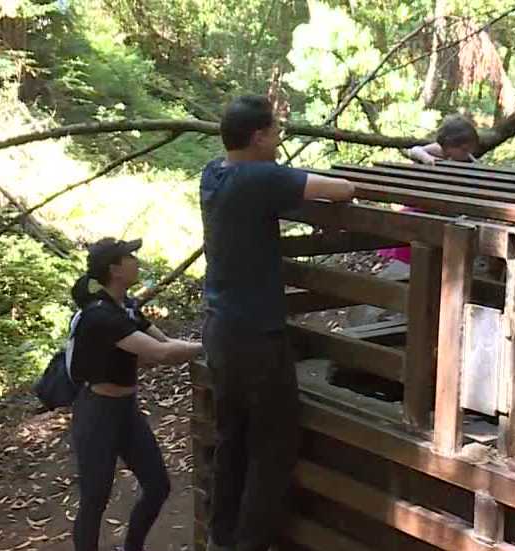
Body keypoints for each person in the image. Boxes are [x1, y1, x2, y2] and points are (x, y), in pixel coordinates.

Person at [200, 95, 355, 551]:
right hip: (255, 337)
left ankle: (219, 537)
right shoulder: (260, 177)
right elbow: (341, 190)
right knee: (274, 446)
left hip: (220, 328)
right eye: (275, 131)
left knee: (233, 438)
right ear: (258, 137)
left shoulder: (214, 173)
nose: (280, 139)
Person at [69, 237, 203, 551]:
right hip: (97, 413)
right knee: (95, 498)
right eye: (130, 256)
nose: (136, 261)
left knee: (157, 486)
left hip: (125, 410)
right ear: (115, 269)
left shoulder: (126, 307)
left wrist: (192, 347)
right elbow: (161, 353)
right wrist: (211, 346)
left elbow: (165, 342)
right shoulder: (101, 316)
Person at [405, 114, 481, 165]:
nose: (468, 153)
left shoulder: (467, 157)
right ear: (450, 144)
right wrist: (426, 158)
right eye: (464, 150)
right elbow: (414, 150)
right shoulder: (438, 149)